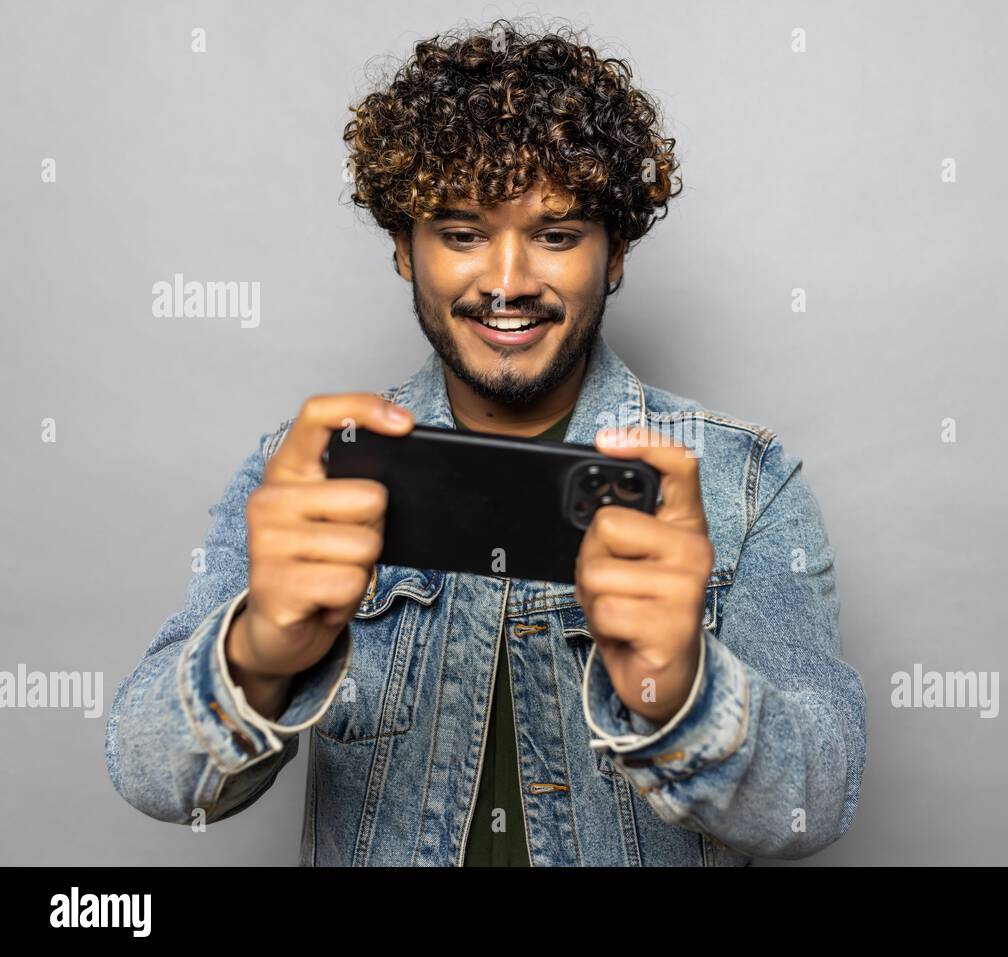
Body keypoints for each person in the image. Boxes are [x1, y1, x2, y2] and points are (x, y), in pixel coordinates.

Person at [105, 18, 866, 866]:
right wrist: (257, 654)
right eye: (463, 234)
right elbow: (152, 773)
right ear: (404, 250)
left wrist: (679, 684)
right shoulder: (312, 468)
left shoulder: (745, 482)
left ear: (615, 256)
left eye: (557, 235)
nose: (507, 283)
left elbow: (814, 802)